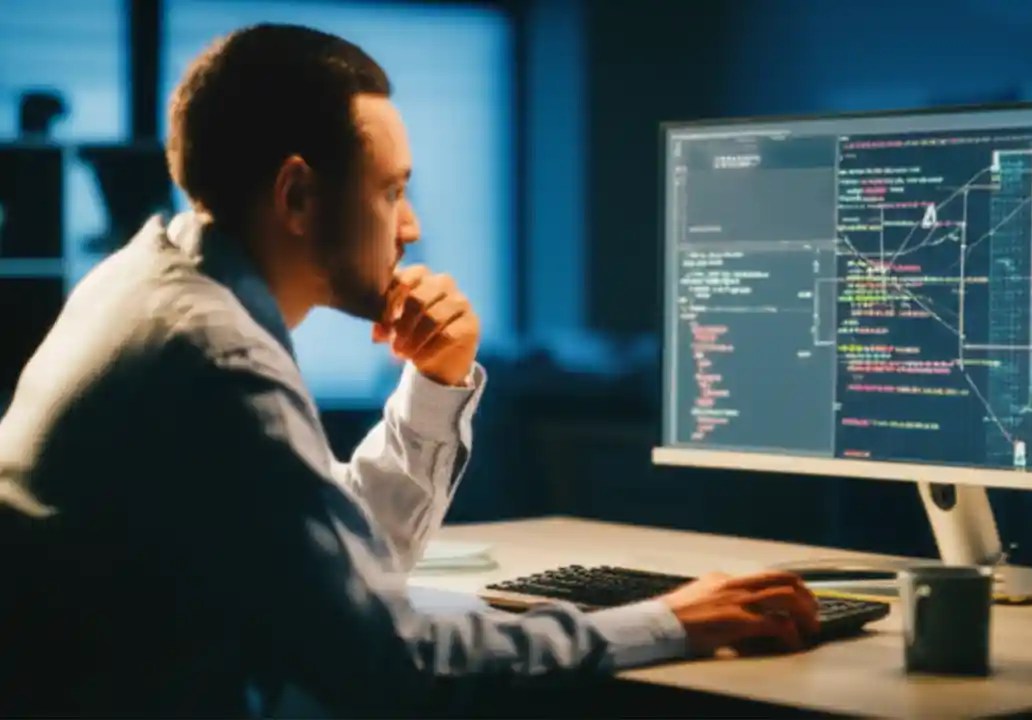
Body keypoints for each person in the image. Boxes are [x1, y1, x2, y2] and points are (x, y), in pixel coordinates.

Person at [0, 23, 819, 717]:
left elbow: (342, 567)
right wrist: (668, 623)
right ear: (296, 197)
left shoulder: (148, 280)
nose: (414, 227)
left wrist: (434, 383)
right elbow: (386, 663)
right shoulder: (216, 352)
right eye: (392, 191)